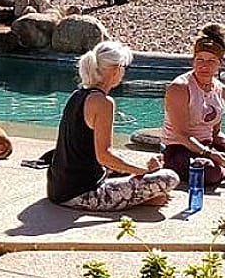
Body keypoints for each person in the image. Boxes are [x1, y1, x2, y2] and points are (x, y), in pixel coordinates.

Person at [48, 40, 180, 211]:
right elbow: (104, 156)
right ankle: (140, 199)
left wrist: (135, 169)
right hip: (81, 193)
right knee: (169, 178)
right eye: (124, 67)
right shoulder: (103, 102)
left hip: (58, 187)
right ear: (116, 69)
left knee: (132, 170)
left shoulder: (77, 94)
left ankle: (139, 193)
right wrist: (143, 172)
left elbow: (96, 154)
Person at [161, 23, 225, 187]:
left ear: (220, 64)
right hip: (180, 148)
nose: (204, 66)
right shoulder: (180, 88)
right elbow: (181, 134)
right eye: (200, 60)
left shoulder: (221, 90)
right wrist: (210, 154)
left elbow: (216, 134)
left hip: (207, 146)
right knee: (207, 170)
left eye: (211, 61)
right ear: (193, 61)